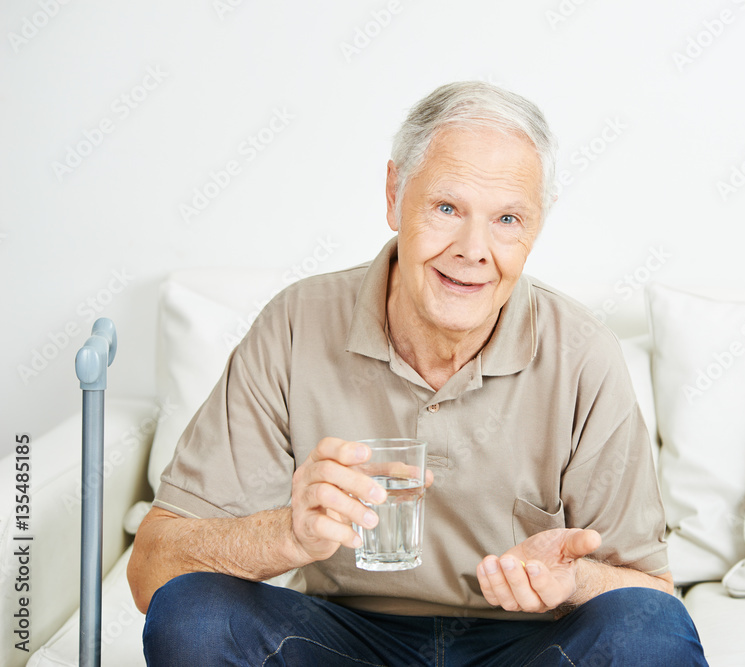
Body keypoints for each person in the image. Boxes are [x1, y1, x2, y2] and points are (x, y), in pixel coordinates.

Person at [128, 81, 708, 666]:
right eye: (447, 208)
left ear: (535, 228)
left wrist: (574, 582)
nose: (473, 249)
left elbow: (650, 593)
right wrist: (288, 534)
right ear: (394, 195)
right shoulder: (297, 324)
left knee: (651, 629)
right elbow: (151, 570)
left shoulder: (583, 354)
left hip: (524, 646)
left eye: (507, 218)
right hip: (340, 640)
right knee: (194, 613)